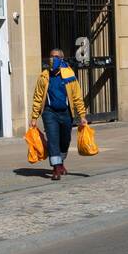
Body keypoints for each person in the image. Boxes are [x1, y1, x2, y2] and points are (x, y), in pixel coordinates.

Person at [30, 48, 88, 180]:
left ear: (61, 59)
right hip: (49, 113)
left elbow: (77, 96)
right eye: (51, 57)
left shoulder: (69, 75)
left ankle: (60, 162)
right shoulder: (44, 76)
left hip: (66, 113)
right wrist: (34, 117)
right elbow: (38, 97)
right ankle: (56, 168)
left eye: (55, 57)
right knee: (53, 140)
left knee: (65, 140)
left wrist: (82, 115)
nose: (52, 59)